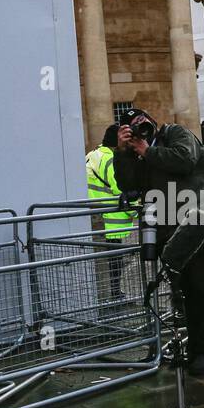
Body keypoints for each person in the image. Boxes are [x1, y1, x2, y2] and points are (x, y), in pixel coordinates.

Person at [114, 107, 204, 377]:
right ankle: (189, 349)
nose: (140, 128)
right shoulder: (138, 152)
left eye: (142, 121)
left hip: (196, 227)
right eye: (132, 126)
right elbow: (127, 183)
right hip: (168, 233)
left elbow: (185, 160)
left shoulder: (175, 133)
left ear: (152, 121)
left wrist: (146, 150)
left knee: (201, 289)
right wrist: (124, 151)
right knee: (181, 294)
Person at [86, 123, 135, 300]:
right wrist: (139, 211)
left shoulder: (92, 155)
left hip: (93, 216)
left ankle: (105, 294)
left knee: (102, 260)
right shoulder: (111, 160)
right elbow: (122, 188)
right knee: (114, 260)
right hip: (111, 220)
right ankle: (114, 293)